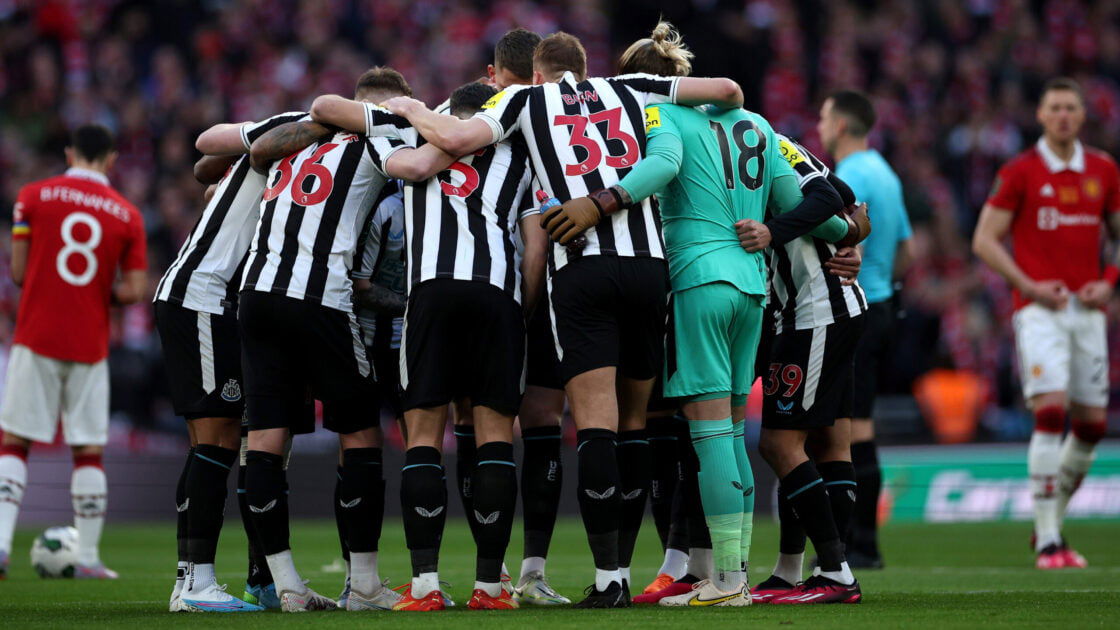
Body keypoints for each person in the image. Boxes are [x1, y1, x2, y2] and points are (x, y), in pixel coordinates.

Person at [379, 31, 745, 608]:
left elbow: (450, 137)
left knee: (594, 425)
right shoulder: (628, 88)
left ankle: (608, 583)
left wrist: (412, 107)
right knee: (635, 425)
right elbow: (727, 90)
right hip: (650, 267)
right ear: (584, 67)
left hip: (583, 270)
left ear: (538, 74)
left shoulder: (523, 101)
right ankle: (651, 567)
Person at [606, 23, 864, 606]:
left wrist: (608, 199)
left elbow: (665, 165)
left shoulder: (660, 116)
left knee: (709, 433)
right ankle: (731, 573)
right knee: (730, 432)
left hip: (698, 278)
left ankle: (726, 579)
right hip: (754, 292)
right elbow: (812, 210)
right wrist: (848, 235)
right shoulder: (759, 126)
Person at [309, 80, 546, 611]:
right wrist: (519, 311)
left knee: (423, 437)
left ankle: (425, 587)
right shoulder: (519, 156)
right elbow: (535, 250)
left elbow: (329, 108)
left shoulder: (412, 144)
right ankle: (490, 588)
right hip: (497, 296)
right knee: (494, 440)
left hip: (432, 295)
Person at [238, 67, 456, 613]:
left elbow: (239, 148)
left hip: (256, 292)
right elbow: (416, 162)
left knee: (265, 439)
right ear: (392, 105)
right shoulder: (383, 132)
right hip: (320, 297)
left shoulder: (295, 142)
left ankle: (287, 586)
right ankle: (362, 585)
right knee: (359, 433)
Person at [157, 109, 309, 613]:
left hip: (212, 299)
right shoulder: (301, 133)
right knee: (219, 440)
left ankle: (205, 580)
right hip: (203, 294)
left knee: (219, 441)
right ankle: (196, 584)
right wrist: (317, 126)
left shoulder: (284, 160)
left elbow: (205, 173)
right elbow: (219, 152)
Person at [973, 77, 1118, 570]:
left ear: (1081, 115)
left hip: (1089, 311)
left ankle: (1048, 522)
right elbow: (985, 240)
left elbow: (1118, 238)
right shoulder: (1020, 172)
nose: (1062, 116)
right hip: (1039, 311)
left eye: (1070, 108)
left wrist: (1111, 280)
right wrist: (1029, 287)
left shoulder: (1103, 169)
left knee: (1093, 426)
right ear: (1040, 114)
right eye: (1054, 107)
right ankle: (1052, 540)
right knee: (1051, 413)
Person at [0, 124, 147, 580]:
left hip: (37, 335)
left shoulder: (33, 196)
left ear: (69, 153)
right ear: (110, 160)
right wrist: (96, 291)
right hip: (89, 341)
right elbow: (136, 289)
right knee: (88, 451)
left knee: (15, 443)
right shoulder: (126, 214)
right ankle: (87, 558)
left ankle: (1, 547)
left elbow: (21, 273)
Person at [748, 135, 869, 605]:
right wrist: (852, 232)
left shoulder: (763, 144)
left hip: (815, 313)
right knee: (827, 443)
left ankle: (835, 572)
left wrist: (774, 233)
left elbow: (835, 202)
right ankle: (792, 571)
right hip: (819, 311)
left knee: (779, 442)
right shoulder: (777, 140)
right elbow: (850, 204)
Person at [819, 89, 912, 568]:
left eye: (823, 117)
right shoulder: (887, 174)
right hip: (882, 307)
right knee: (860, 424)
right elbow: (908, 249)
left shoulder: (850, 175)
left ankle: (857, 545)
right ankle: (862, 544)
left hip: (854, 309)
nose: (819, 126)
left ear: (839, 125)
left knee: (843, 430)